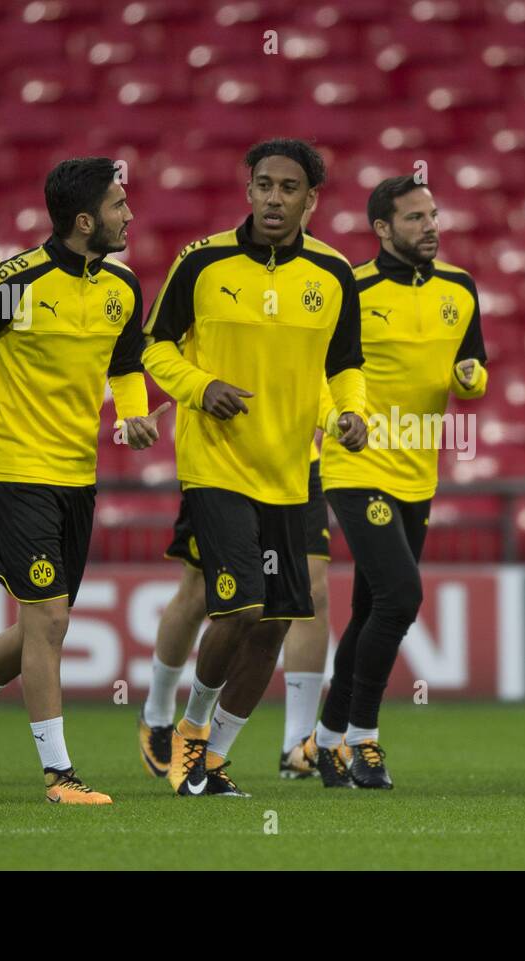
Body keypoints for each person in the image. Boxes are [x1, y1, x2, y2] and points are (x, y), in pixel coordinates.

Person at [0, 157, 169, 804]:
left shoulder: (122, 286)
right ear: (85, 221)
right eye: (118, 205)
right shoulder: (13, 282)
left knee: (40, 627)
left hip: (75, 477)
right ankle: (59, 775)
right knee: (50, 618)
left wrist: (134, 417)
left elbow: (125, 364)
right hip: (14, 471)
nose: (129, 214)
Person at [143, 138, 366, 798]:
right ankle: (187, 731)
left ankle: (211, 762)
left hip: (292, 473)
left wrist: (351, 412)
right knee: (236, 610)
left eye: (288, 188)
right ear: (249, 192)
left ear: (311, 200)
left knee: (272, 624)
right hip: (216, 466)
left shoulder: (332, 274)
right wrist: (198, 385)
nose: (274, 197)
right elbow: (152, 349)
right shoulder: (202, 262)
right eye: (264, 184)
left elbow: (345, 363)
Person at [309, 175, 487, 789]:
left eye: (433, 215)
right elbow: (315, 374)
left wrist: (470, 377)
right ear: (382, 229)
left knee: (370, 609)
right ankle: (365, 740)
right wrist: (337, 419)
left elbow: (473, 371)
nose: (431, 226)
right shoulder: (350, 288)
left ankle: (325, 742)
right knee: (404, 596)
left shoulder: (461, 288)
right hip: (357, 466)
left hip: (418, 472)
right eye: (415, 218)